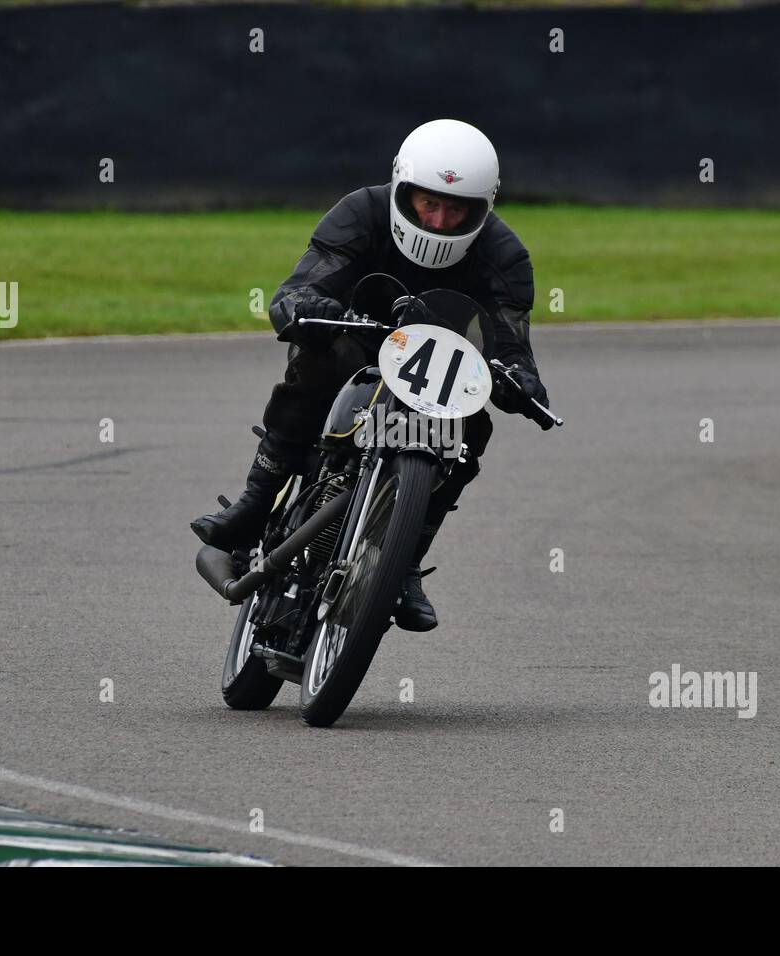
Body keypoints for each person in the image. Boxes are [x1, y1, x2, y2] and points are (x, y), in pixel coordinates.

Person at [192, 118, 551, 631]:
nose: (441, 220)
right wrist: (304, 307)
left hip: (437, 372)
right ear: (402, 190)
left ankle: (404, 560)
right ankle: (256, 498)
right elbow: (301, 284)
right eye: (429, 203)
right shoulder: (360, 211)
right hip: (356, 342)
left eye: (456, 209)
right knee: (322, 359)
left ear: (482, 209)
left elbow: (511, 339)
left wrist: (520, 379)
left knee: (475, 427)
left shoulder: (505, 254)